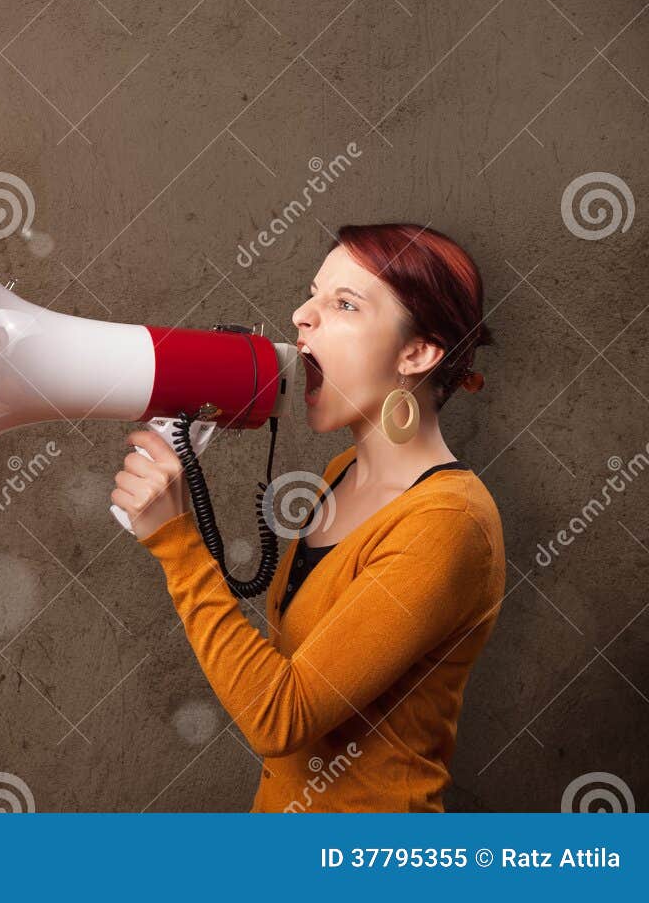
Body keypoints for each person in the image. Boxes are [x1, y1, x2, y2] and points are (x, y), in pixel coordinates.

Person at [110, 222, 503, 812]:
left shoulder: (447, 523)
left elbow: (280, 717)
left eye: (345, 304)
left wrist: (177, 543)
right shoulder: (342, 473)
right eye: (312, 294)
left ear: (417, 352)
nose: (300, 316)